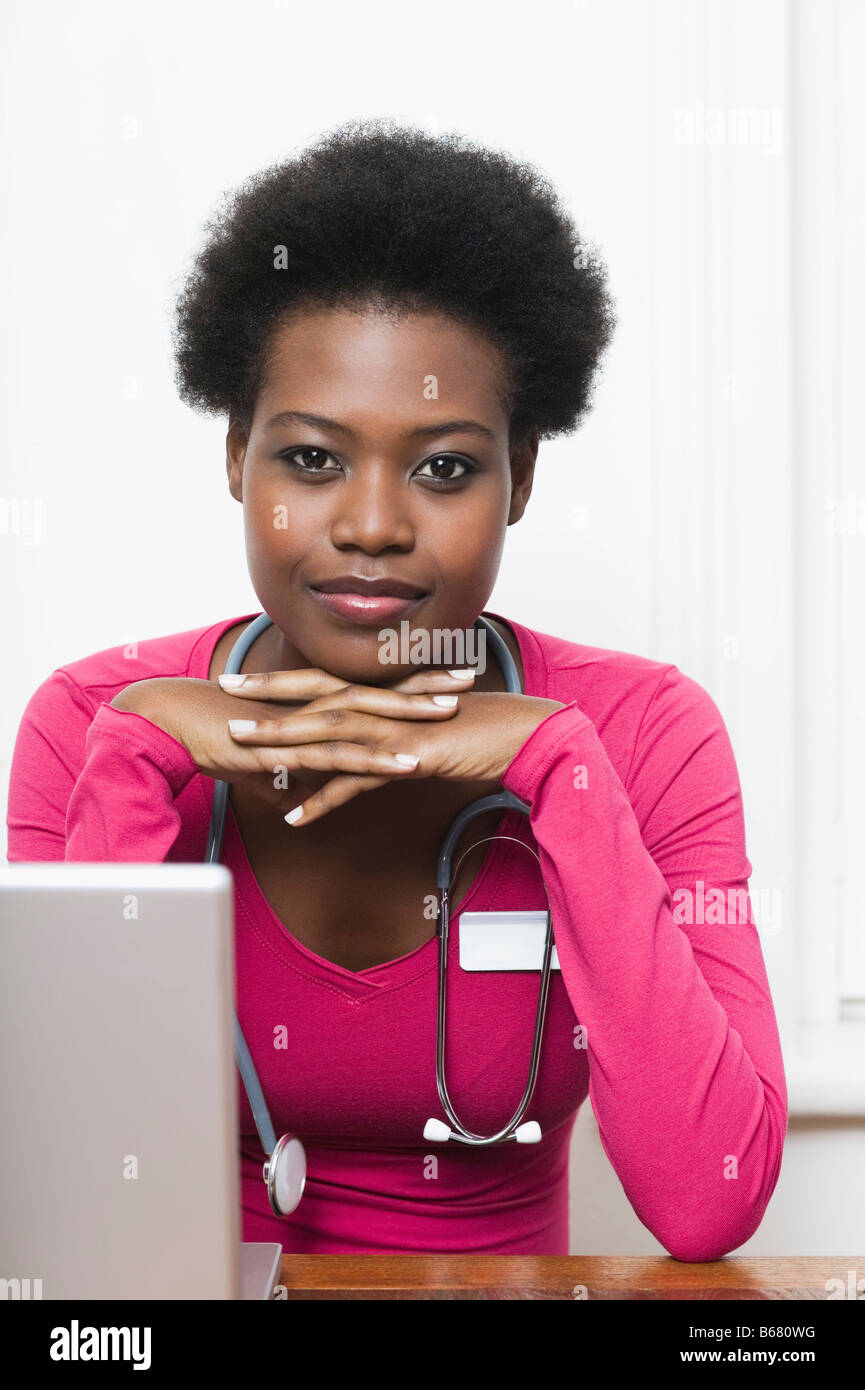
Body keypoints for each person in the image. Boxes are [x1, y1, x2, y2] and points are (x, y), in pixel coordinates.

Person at [6, 119, 787, 1259]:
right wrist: (130, 770)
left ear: (521, 476)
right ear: (235, 456)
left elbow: (706, 1200)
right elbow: (69, 1195)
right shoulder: (89, 724)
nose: (372, 525)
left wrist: (562, 771)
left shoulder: (642, 732)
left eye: (444, 467)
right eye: (312, 459)